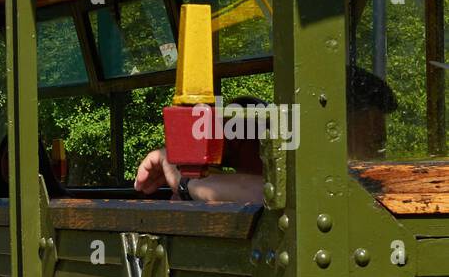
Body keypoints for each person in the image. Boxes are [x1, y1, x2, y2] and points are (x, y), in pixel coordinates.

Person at [134, 70, 398, 204]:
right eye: (376, 141)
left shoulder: (368, 189)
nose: (380, 155)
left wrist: (185, 183)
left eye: (379, 141)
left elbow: (282, 195)